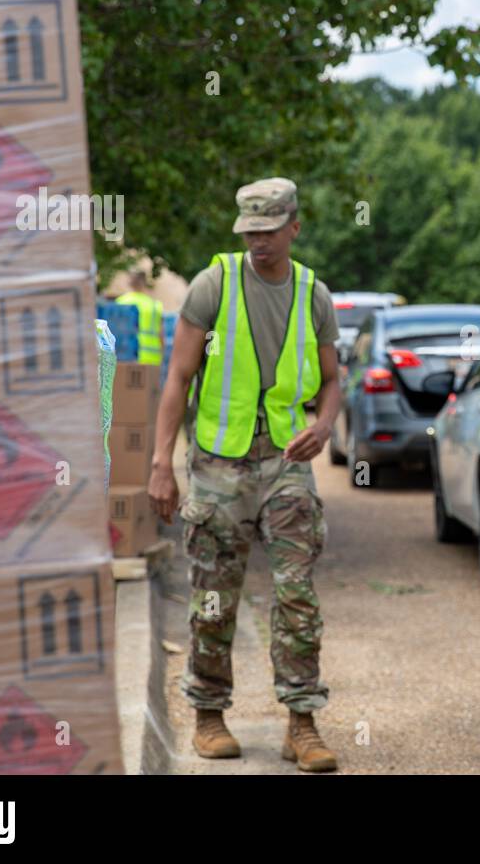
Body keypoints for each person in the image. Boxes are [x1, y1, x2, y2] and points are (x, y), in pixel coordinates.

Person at [147, 177, 342, 772]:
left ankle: (301, 723)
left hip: (285, 464)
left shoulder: (313, 293)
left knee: (297, 595)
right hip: (217, 466)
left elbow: (332, 380)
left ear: (293, 228)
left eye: (268, 231)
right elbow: (177, 379)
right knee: (212, 598)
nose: (258, 242)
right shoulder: (215, 285)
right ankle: (208, 714)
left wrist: (326, 425)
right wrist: (162, 464)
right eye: (249, 232)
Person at [114, 270, 165, 365]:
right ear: (144, 282)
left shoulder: (120, 302)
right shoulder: (155, 305)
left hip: (127, 358)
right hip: (151, 360)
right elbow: (161, 335)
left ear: (130, 282)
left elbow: (115, 333)